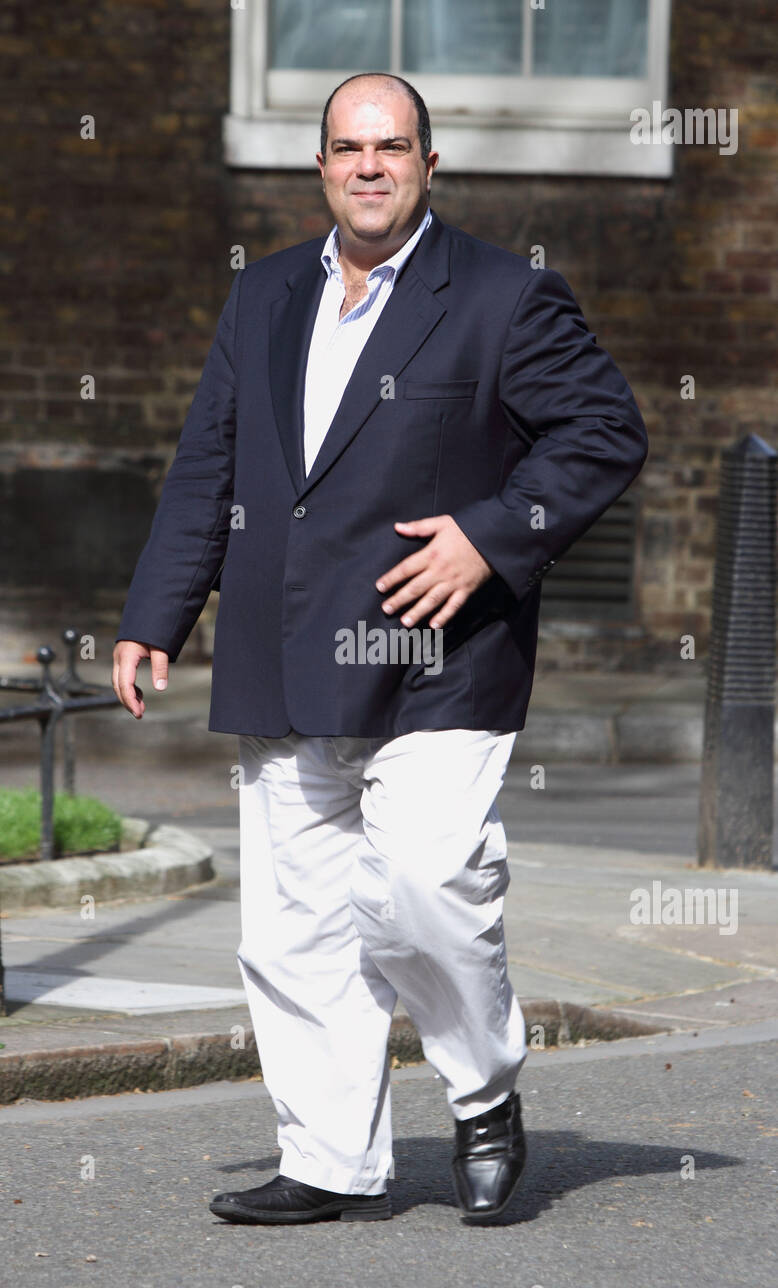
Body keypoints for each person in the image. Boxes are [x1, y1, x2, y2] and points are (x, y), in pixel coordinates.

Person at [113, 71, 649, 1224]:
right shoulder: (260, 300)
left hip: (436, 656)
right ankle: (325, 1158)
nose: (369, 167)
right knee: (295, 929)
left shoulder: (506, 295)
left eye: (392, 147)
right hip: (281, 648)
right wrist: (156, 614)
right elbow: (211, 460)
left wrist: (492, 538)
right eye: (349, 149)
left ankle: (483, 1090)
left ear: (427, 164)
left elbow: (606, 431)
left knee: (422, 892)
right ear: (318, 167)